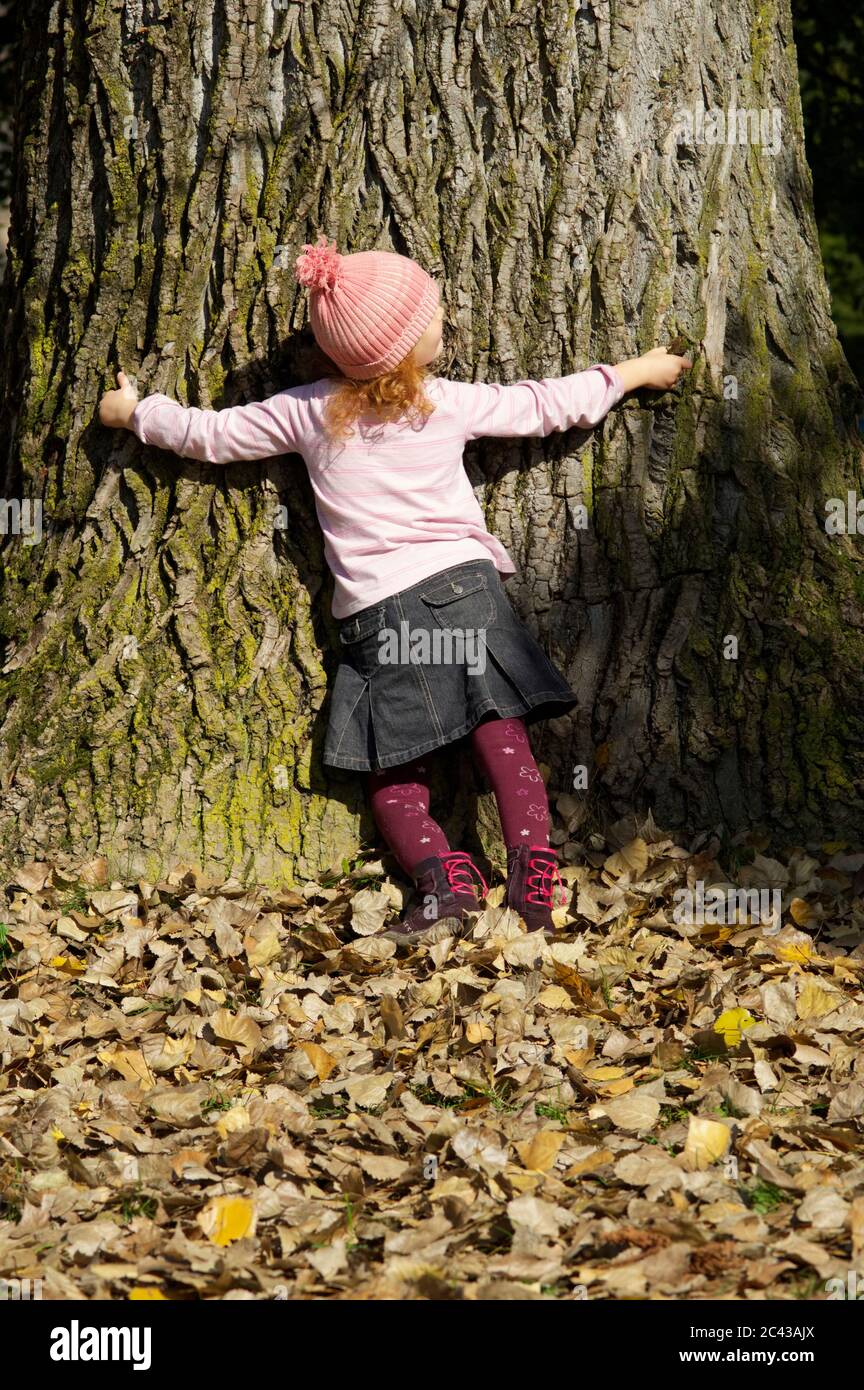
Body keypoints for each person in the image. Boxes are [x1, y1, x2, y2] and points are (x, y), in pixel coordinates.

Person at [99, 232, 691, 941]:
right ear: (406, 345)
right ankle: (534, 871)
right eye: (430, 318)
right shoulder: (447, 403)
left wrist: (135, 413)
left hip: (381, 615)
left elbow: (212, 435)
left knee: (391, 765)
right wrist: (633, 371)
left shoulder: (306, 411)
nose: (443, 323)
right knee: (499, 733)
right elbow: (545, 404)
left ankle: (443, 881)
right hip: (463, 589)